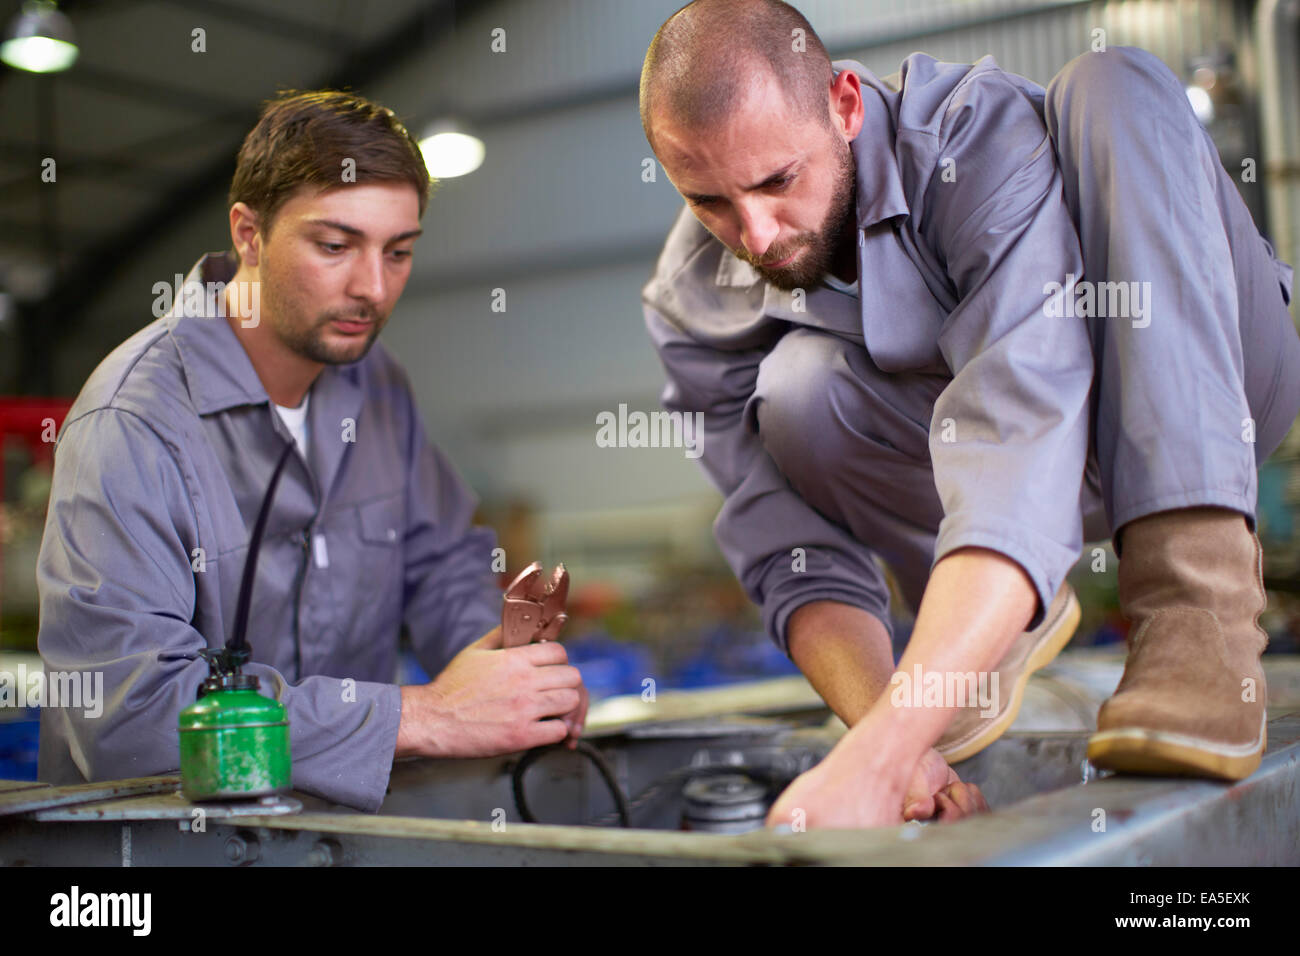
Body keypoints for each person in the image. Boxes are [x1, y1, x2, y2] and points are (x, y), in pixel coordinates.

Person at [638, 0, 1300, 828]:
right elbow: (785, 545)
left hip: (1221, 382)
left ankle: (1196, 609)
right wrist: (893, 739)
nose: (757, 234)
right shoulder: (693, 295)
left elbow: (1018, 426)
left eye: (778, 180)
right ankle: (1001, 618)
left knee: (1114, 83)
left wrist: (873, 761)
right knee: (798, 393)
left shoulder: (969, 140)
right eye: (709, 201)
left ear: (845, 102)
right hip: (1046, 480)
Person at [36, 90, 588, 812]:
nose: (372, 288)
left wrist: (510, 676)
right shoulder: (132, 423)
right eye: (334, 246)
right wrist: (424, 716)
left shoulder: (377, 387)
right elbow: (129, 718)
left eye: (399, 252)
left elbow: (442, 566)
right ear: (248, 234)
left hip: (339, 833)